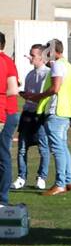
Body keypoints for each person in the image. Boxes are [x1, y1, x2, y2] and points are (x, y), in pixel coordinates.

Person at [36, 38, 71, 196]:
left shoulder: (58, 65)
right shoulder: (68, 65)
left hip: (56, 112)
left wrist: (35, 96)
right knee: (63, 147)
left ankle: (60, 183)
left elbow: (55, 88)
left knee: (58, 149)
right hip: (65, 112)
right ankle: (68, 180)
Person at [12, 43, 51, 191]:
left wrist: (31, 96)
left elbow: (45, 96)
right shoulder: (29, 74)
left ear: (41, 57)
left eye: (33, 55)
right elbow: (29, 95)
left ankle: (41, 177)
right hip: (27, 113)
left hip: (39, 114)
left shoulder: (47, 74)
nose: (30, 57)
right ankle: (21, 177)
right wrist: (23, 94)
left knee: (43, 148)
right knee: (22, 148)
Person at [0, 33, 19, 205]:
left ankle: (3, 198)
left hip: (7, 112)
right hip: (9, 113)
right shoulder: (8, 62)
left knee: (3, 154)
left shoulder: (5, 62)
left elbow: (13, 90)